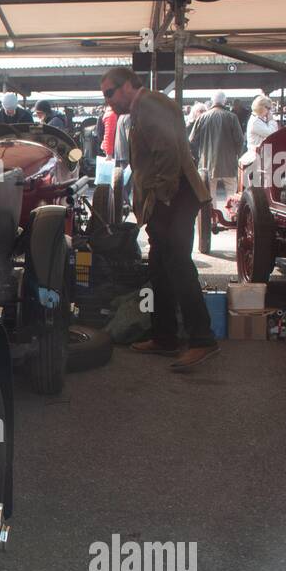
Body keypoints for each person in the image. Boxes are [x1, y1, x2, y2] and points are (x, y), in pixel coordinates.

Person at [100, 66, 217, 370]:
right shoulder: (145, 106)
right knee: (160, 268)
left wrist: (161, 195)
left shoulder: (149, 104)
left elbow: (167, 152)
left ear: (127, 85)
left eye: (110, 92)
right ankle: (165, 336)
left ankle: (202, 339)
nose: (108, 100)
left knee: (178, 266)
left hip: (173, 196)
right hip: (170, 196)